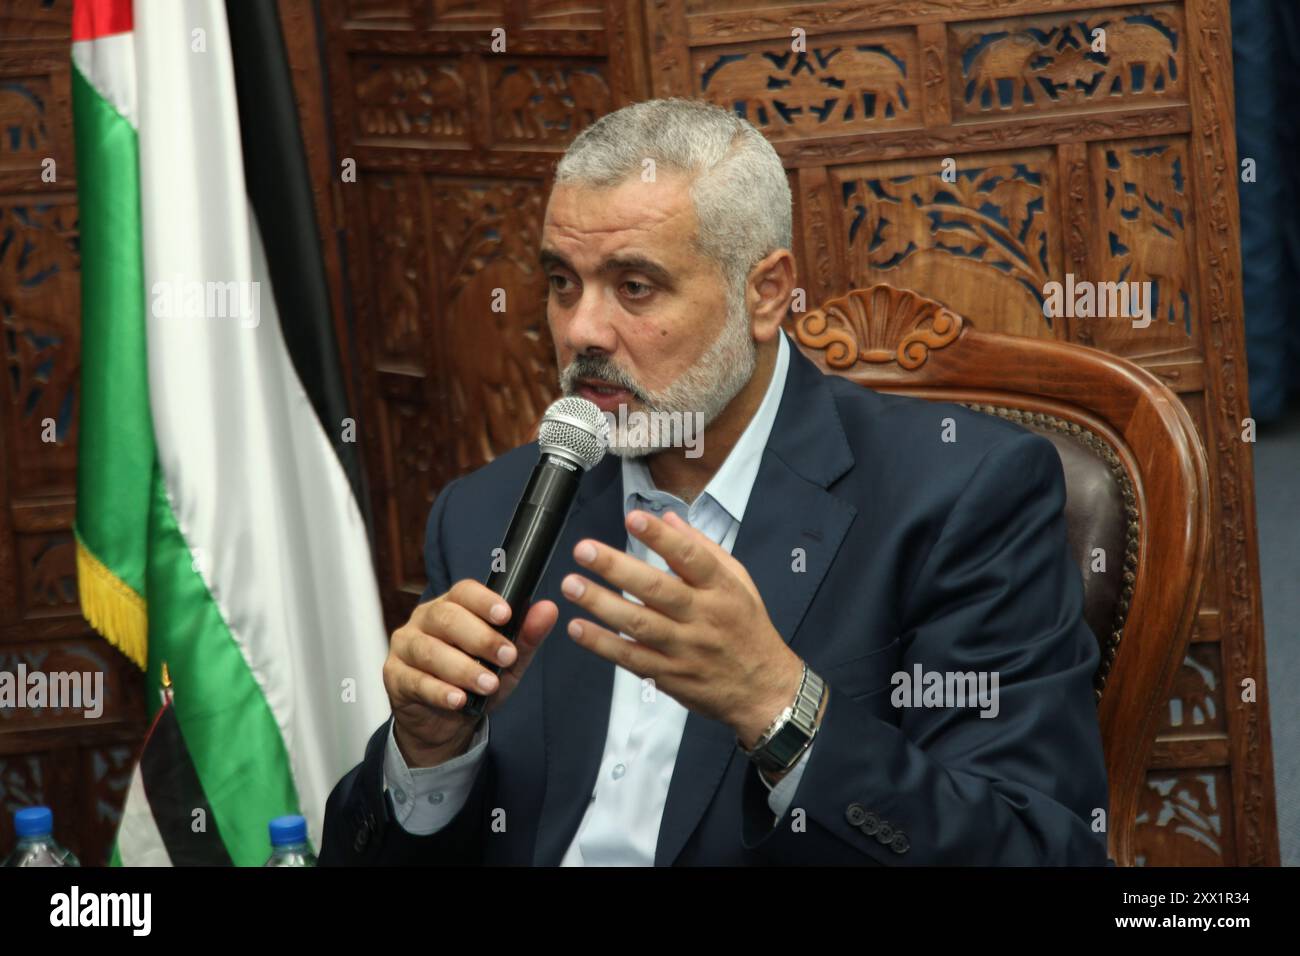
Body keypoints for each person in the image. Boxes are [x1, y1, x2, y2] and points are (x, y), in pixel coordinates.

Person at [320, 98, 1109, 866]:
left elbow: (1039, 847)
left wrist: (781, 707)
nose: (582, 331)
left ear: (764, 293)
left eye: (634, 286)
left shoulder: (959, 496)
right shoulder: (489, 513)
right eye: (563, 282)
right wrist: (428, 757)